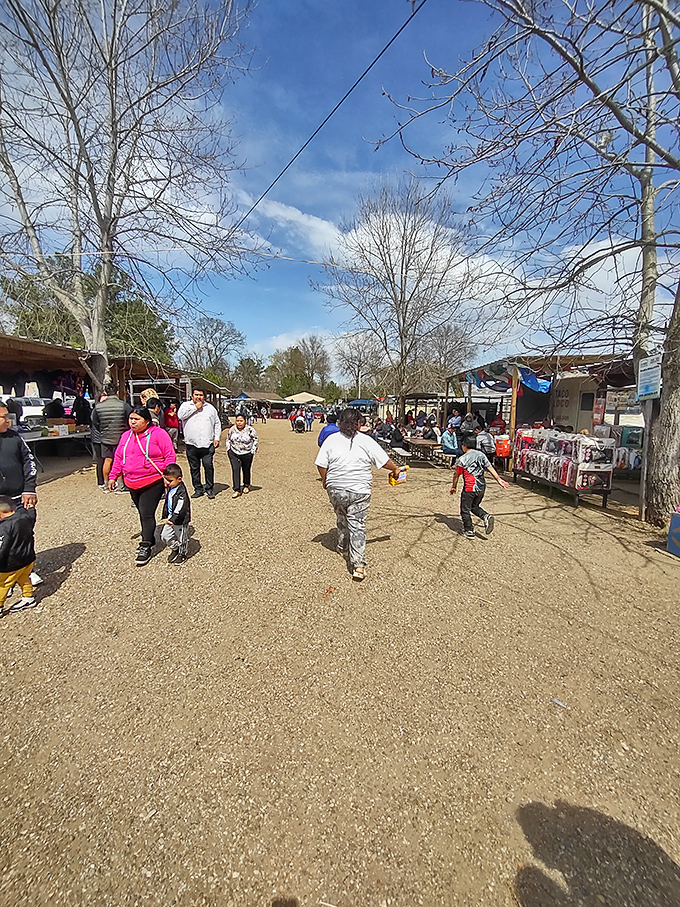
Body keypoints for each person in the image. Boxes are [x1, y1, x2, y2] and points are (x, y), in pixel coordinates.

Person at [315, 408, 400, 581]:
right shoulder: (366, 441)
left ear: (340, 423)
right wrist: (395, 469)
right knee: (357, 525)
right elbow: (383, 461)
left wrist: (325, 480)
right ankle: (358, 565)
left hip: (336, 488)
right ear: (359, 423)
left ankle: (342, 544)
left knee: (341, 515)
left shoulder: (331, 440)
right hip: (359, 490)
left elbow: (321, 464)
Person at [108, 406, 176, 565]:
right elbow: (118, 457)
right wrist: (113, 476)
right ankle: (150, 537)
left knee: (146, 512)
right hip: (131, 482)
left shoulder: (159, 434)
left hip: (152, 481)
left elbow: (169, 456)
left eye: (136, 419)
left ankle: (145, 544)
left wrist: (168, 477)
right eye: (131, 419)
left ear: (147, 421)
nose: (132, 422)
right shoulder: (125, 436)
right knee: (142, 512)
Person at [0, 402, 41, 588]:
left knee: (24, 534)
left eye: (8, 416)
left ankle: (27, 570)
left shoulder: (15, 437)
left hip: (19, 497)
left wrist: (29, 488)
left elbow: (29, 461)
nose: (8, 421)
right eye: (4, 417)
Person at [450, 436, 509, 539]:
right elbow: (490, 468)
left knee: (465, 510)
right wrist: (498, 479)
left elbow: (456, 475)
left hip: (470, 488)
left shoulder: (462, 459)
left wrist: (454, 487)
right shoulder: (481, 455)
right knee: (474, 506)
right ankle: (486, 516)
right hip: (481, 487)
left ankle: (469, 530)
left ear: (464, 446)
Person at [178, 388, 221, 499]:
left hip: (207, 444)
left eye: (201, 395)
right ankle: (198, 489)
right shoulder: (186, 406)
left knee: (208, 466)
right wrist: (195, 408)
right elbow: (180, 416)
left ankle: (209, 488)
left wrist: (216, 438)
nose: (198, 397)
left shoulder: (210, 409)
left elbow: (217, 423)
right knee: (194, 468)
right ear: (192, 396)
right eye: (196, 395)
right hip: (191, 443)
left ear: (204, 397)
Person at [92, 384, 133, 489]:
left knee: (107, 460)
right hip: (121, 437)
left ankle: (105, 483)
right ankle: (120, 484)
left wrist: (103, 430)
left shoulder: (98, 407)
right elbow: (131, 419)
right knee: (119, 461)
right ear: (117, 392)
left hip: (105, 437)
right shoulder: (123, 405)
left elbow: (95, 422)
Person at [0, 495, 36, 613]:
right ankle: (28, 597)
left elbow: (2, 547)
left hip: (12, 563)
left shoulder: (4, 527)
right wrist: (31, 509)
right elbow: (32, 518)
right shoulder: (24, 517)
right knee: (24, 578)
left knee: (3, 585)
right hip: (28, 557)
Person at [160, 463, 191, 565]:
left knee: (182, 538)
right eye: (165, 479)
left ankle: (182, 554)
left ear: (179, 479)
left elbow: (180, 507)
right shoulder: (169, 488)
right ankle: (175, 547)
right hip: (171, 517)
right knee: (165, 536)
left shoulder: (181, 492)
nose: (167, 482)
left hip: (180, 519)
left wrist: (173, 519)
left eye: (170, 480)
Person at [226, 413, 258, 498]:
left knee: (246, 469)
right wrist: (228, 449)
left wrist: (253, 451)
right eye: (237, 421)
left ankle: (246, 485)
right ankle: (237, 489)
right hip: (234, 452)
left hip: (247, 453)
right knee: (235, 469)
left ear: (245, 421)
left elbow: (255, 439)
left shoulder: (250, 430)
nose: (239, 423)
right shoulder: (232, 429)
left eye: (241, 421)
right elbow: (228, 439)